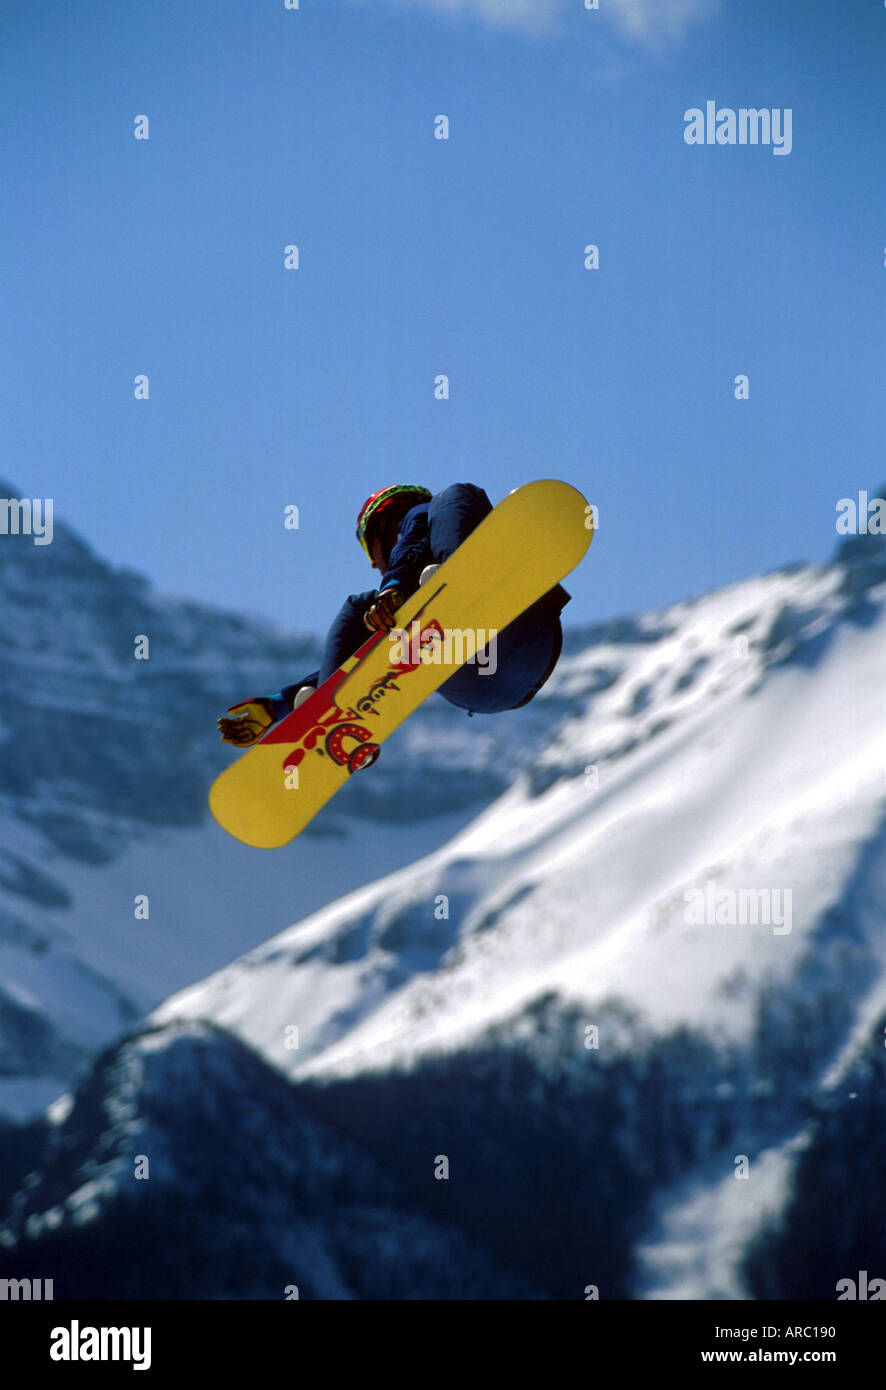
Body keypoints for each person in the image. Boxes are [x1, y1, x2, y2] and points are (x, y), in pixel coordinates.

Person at [218, 482, 570, 747]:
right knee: (380, 625)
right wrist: (280, 706)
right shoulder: (401, 610)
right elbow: (361, 661)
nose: (373, 562)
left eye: (369, 547)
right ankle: (331, 718)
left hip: (488, 669)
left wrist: (394, 586)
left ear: (385, 524)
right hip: (528, 658)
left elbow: (418, 528)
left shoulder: (424, 515)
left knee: (455, 496)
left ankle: (460, 584)